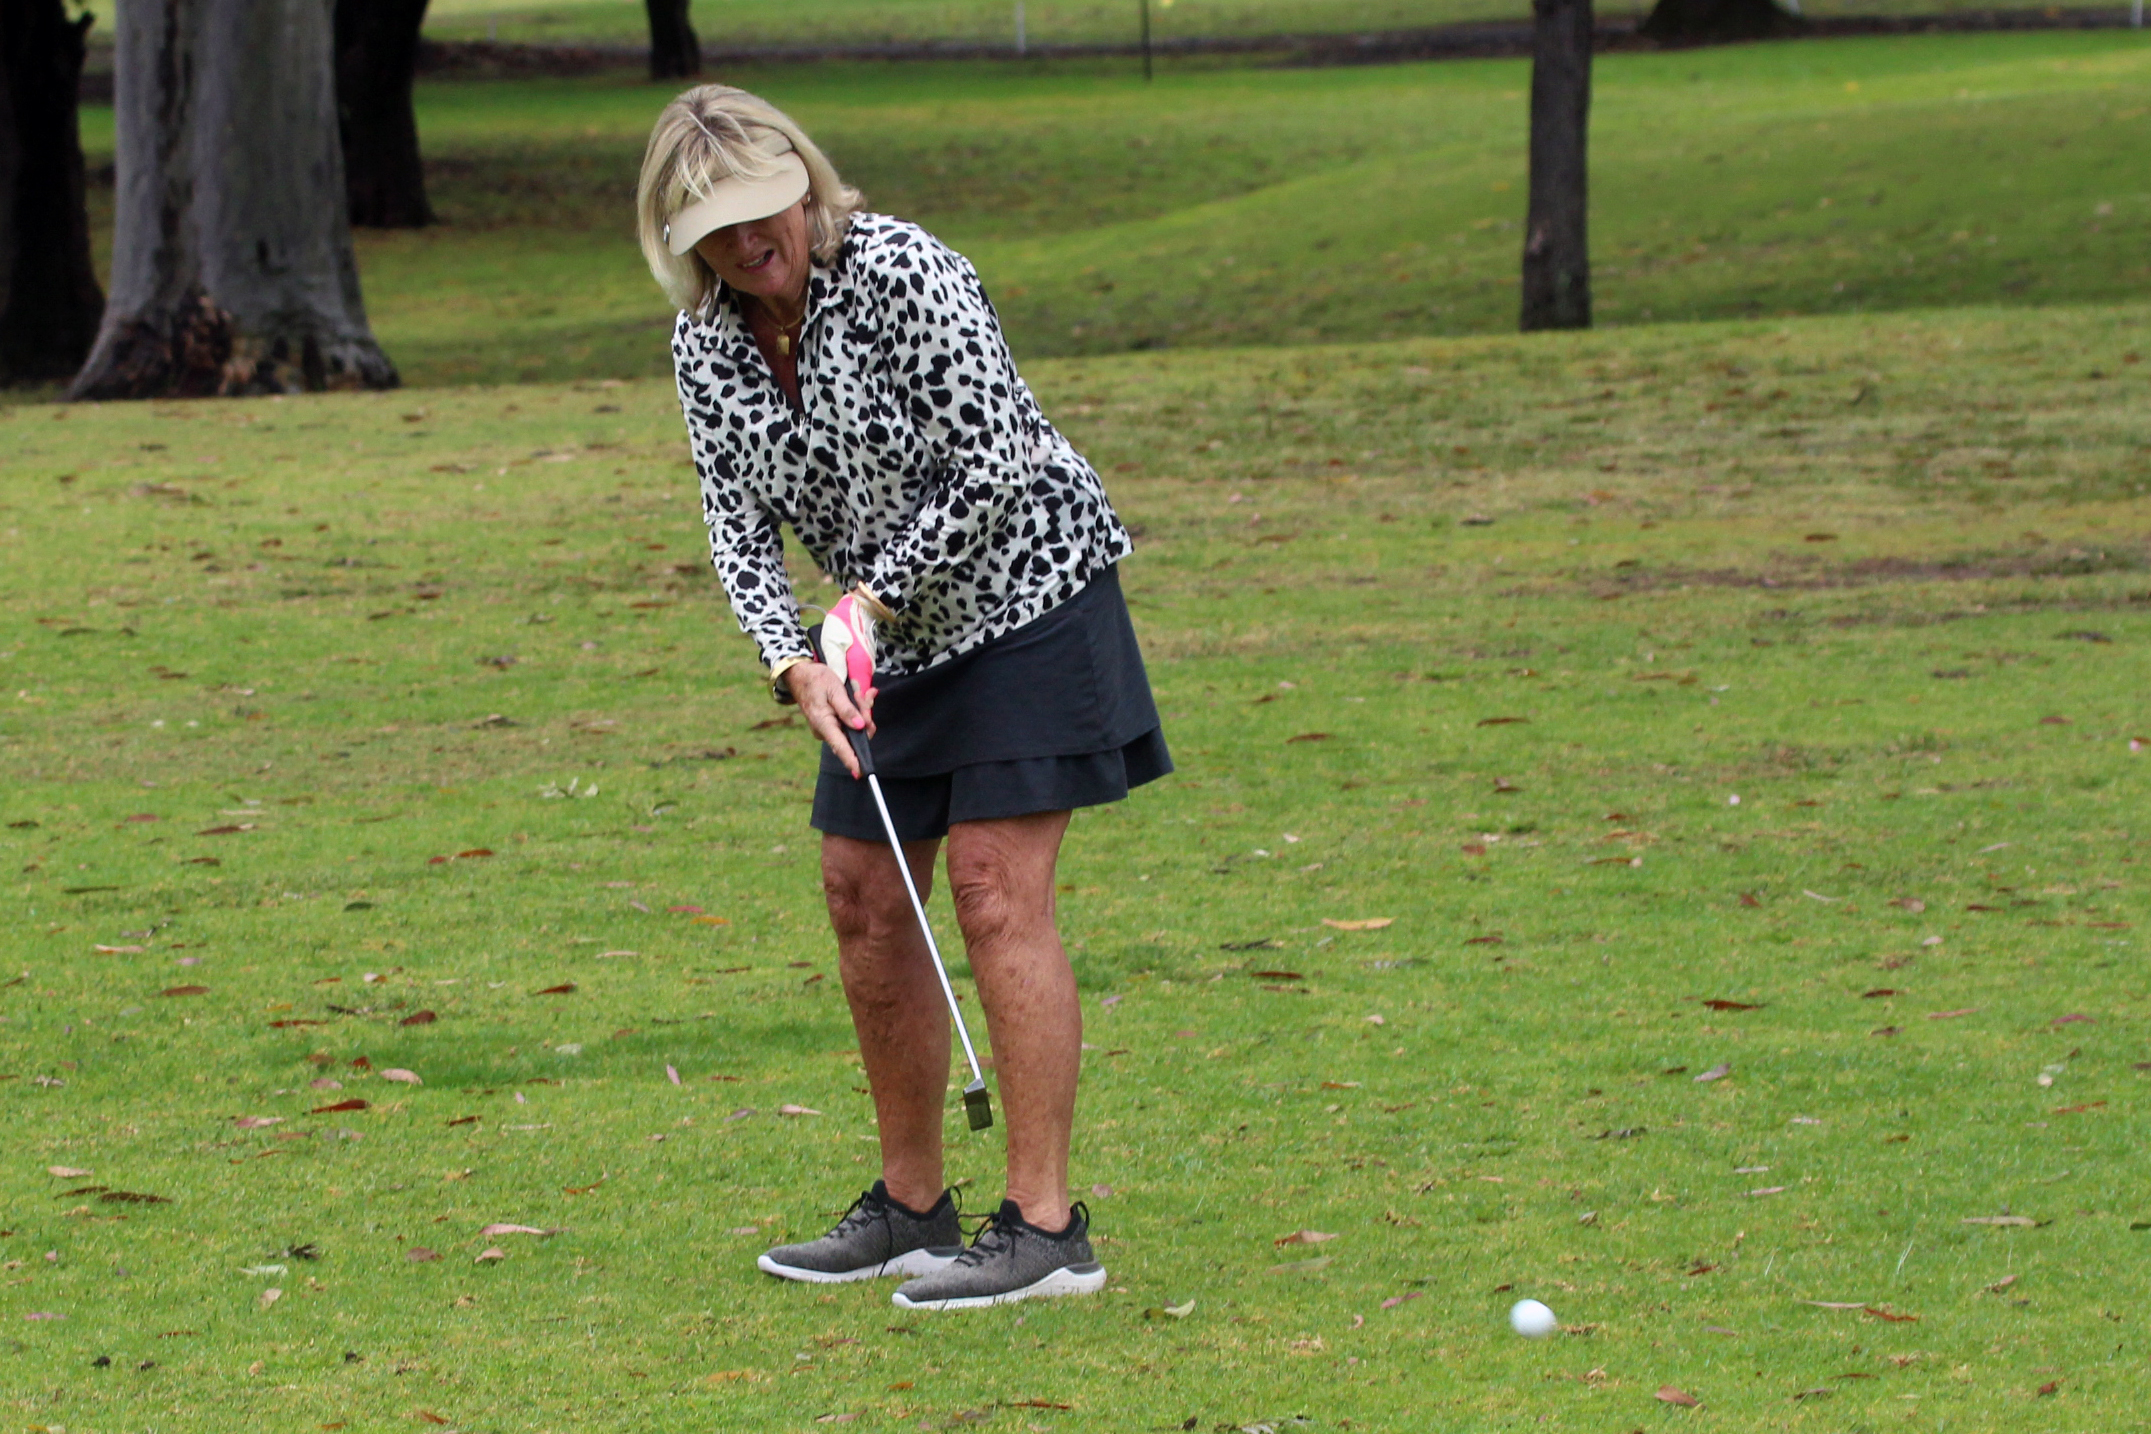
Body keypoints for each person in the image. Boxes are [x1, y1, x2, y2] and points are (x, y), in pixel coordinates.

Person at [636, 85, 1171, 1310]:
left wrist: (863, 605)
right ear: (680, 242)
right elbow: (734, 523)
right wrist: (792, 658)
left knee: (990, 890)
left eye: (762, 204)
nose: (747, 237)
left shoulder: (904, 271)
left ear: (801, 182)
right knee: (863, 896)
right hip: (877, 637)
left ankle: (1044, 1230)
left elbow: (997, 456)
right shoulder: (706, 345)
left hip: (1029, 596)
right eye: (713, 224)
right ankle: (911, 1209)